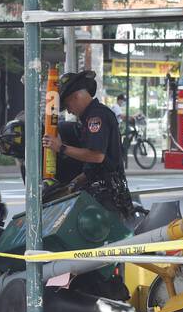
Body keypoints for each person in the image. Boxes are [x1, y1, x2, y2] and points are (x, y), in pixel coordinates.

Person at [42, 70, 134, 217]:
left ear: (77, 96)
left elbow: (97, 156)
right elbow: (95, 166)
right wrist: (73, 184)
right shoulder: (90, 117)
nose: (69, 111)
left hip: (106, 197)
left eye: (67, 105)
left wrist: (61, 147)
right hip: (103, 192)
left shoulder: (96, 117)